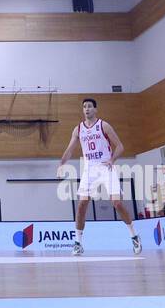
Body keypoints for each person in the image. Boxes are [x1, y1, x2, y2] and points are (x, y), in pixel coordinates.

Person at [57, 98, 141, 257]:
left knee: (116, 203)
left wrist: (112, 159)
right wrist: (61, 164)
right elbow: (69, 149)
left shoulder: (104, 125)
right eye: (84, 107)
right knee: (82, 204)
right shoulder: (78, 129)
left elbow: (120, 146)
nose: (87, 109)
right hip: (89, 169)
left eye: (89, 106)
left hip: (105, 166)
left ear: (95, 109)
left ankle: (134, 235)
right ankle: (78, 243)